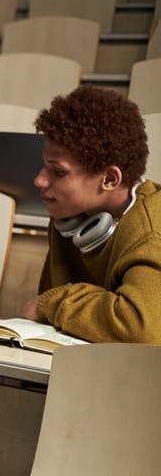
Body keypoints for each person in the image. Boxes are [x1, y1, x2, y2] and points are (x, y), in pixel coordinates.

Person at [21, 86, 159, 343]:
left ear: (109, 179)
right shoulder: (69, 217)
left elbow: (142, 330)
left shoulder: (150, 233)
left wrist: (53, 304)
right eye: (44, 166)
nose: (39, 180)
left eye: (58, 172)